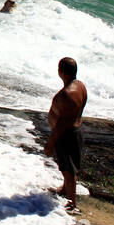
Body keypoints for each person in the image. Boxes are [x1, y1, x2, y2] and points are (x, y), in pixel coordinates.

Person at [44, 57, 88, 210]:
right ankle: (64, 190)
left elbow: (61, 124)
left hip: (66, 134)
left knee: (68, 171)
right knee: (69, 166)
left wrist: (50, 143)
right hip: (77, 129)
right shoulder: (80, 86)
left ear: (60, 72)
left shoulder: (65, 95)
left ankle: (72, 204)